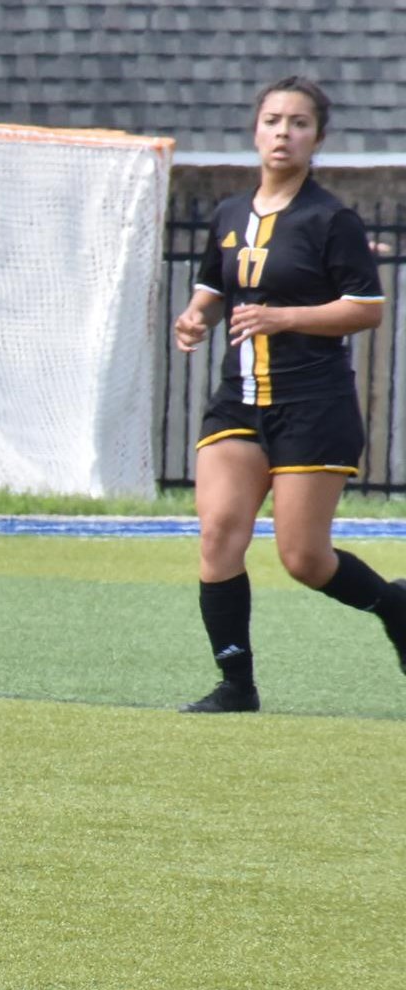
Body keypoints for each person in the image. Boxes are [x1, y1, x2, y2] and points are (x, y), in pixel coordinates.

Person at [172, 76, 400, 713]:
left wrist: (284, 319)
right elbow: (214, 288)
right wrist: (195, 317)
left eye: (299, 123)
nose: (283, 132)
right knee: (219, 533)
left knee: (303, 558)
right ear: (256, 129)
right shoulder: (227, 214)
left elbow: (367, 308)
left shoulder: (332, 219)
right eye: (273, 120)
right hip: (238, 401)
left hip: (313, 404)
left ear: (316, 139)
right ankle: (236, 686)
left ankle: (396, 606)